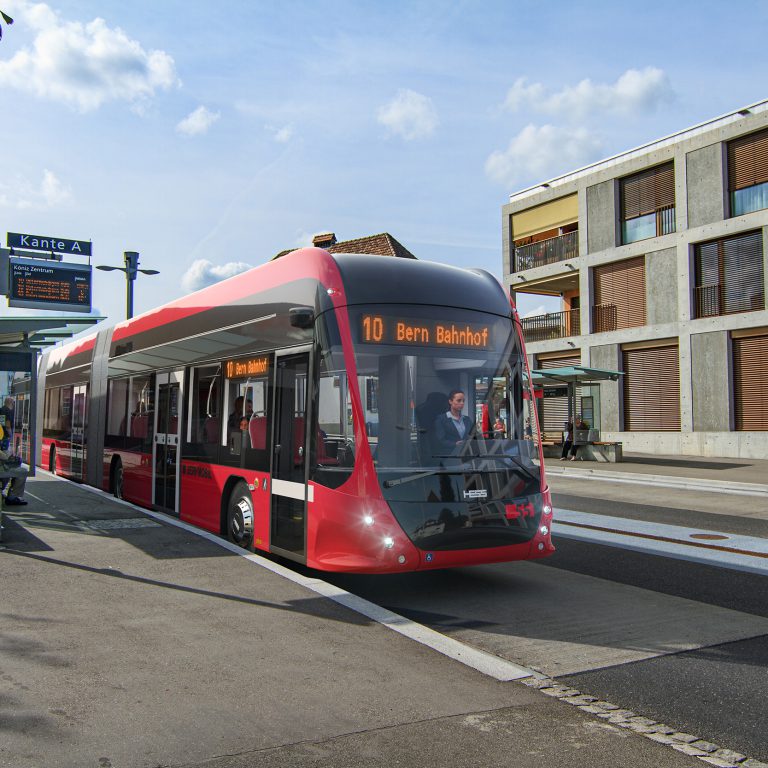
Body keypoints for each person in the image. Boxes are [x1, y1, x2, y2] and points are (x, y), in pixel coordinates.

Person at [433, 390, 474, 454]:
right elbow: (440, 440)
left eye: (463, 401)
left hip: (466, 455)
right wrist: (454, 444)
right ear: (450, 401)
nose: (462, 403)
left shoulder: (467, 419)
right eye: (459, 400)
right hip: (449, 456)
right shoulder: (441, 419)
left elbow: (473, 436)